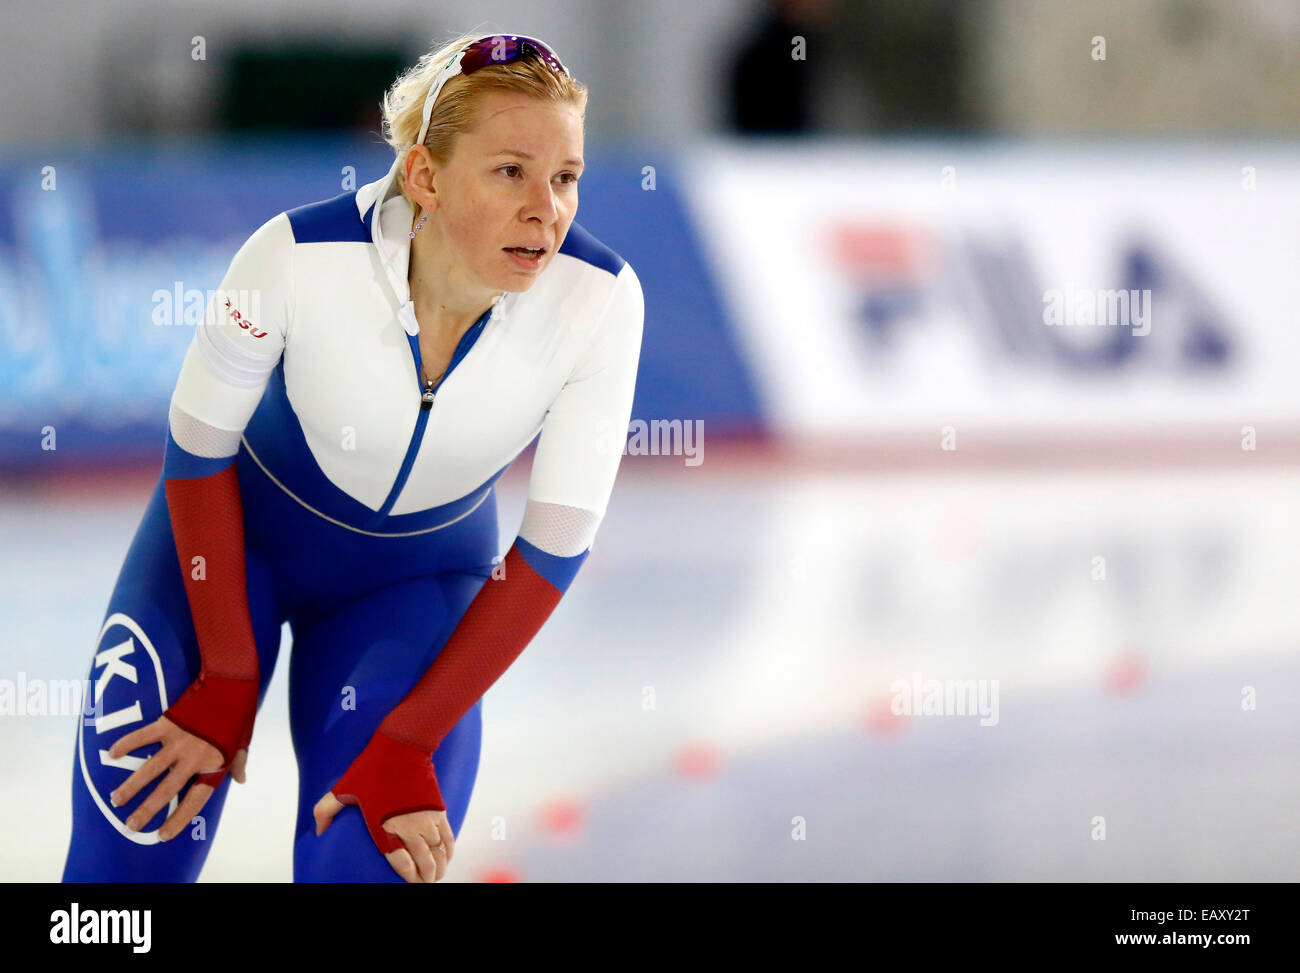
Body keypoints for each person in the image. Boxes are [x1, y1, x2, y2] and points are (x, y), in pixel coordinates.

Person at [61, 31, 644, 883]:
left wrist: (409, 735)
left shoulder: (600, 301)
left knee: (361, 860)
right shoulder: (293, 257)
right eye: (510, 171)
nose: (546, 209)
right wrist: (225, 671)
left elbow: (553, 548)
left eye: (565, 178)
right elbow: (194, 458)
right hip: (228, 555)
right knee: (121, 875)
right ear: (425, 177)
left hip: (408, 594)